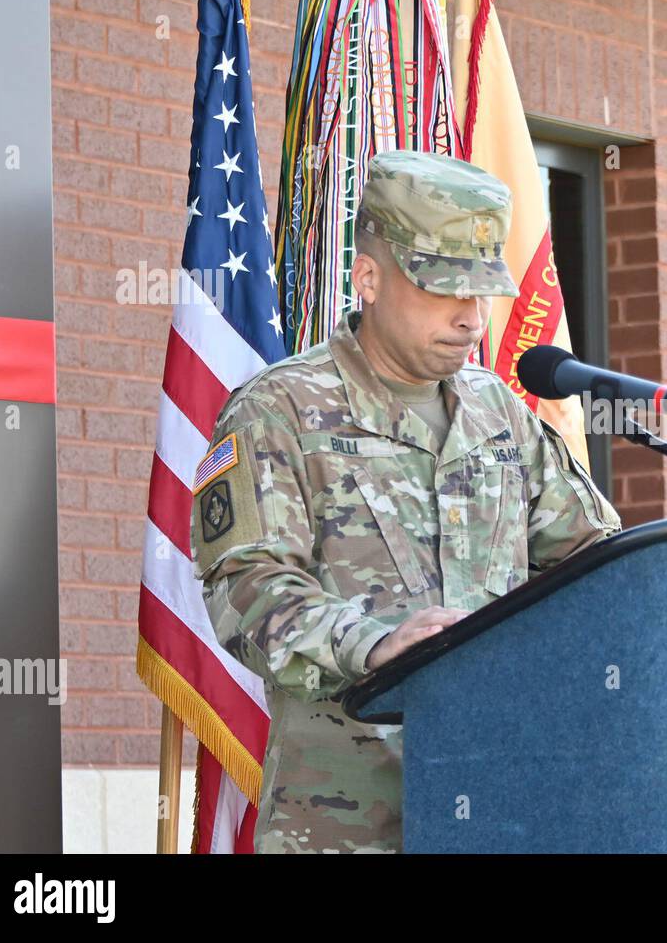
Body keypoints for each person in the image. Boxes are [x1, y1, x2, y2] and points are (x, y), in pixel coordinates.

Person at [190, 149, 622, 853]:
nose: (471, 317)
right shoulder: (279, 412)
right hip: (345, 824)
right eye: (444, 288)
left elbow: (596, 569)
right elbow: (249, 590)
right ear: (368, 277)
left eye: (481, 291)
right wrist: (378, 645)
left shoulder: (500, 414)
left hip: (505, 813)